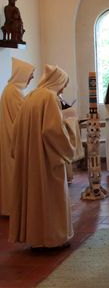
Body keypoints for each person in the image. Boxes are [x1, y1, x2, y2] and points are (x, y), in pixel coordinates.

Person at [9, 64, 75, 249]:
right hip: (46, 158)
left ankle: (36, 238)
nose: (63, 89)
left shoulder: (31, 96)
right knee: (50, 198)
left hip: (31, 157)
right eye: (63, 84)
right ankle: (53, 238)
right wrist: (70, 123)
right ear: (57, 82)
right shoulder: (49, 97)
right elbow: (52, 130)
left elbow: (17, 129)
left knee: (34, 197)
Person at [0, 58, 34, 216]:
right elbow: (22, 117)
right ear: (22, 74)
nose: (32, 78)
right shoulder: (13, 91)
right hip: (13, 139)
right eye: (30, 75)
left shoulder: (11, 90)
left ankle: (12, 207)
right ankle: (13, 208)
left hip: (10, 137)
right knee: (14, 173)